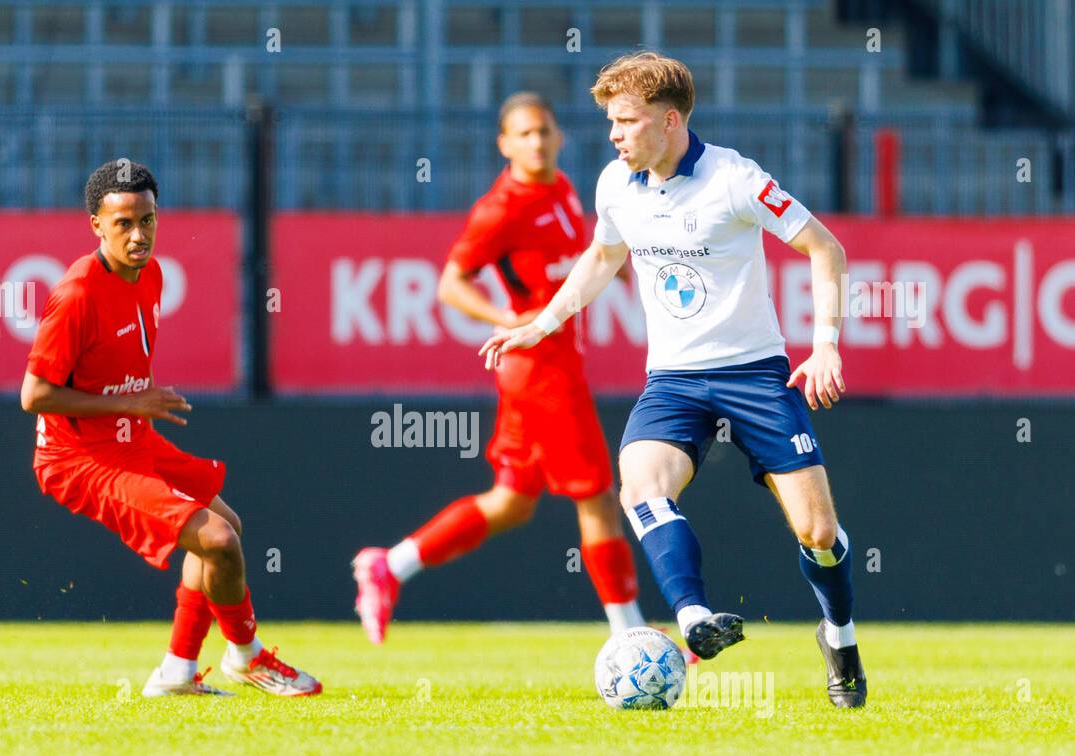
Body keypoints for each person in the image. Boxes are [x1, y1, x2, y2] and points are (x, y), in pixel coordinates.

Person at [479, 54, 866, 707]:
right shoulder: (615, 184)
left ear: (670, 120)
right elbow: (602, 256)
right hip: (675, 381)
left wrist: (825, 346)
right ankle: (693, 618)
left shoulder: (735, 179)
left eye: (626, 121)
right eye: (610, 121)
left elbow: (825, 247)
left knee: (819, 537)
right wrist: (541, 323)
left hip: (754, 375)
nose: (614, 134)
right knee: (640, 486)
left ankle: (839, 632)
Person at [353, 92, 666, 653]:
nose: (537, 142)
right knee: (597, 497)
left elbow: (587, 255)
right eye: (524, 134)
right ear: (504, 144)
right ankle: (632, 638)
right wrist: (508, 317)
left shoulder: (565, 188)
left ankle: (388, 566)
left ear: (558, 135)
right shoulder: (502, 207)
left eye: (544, 130)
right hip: (542, 369)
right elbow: (451, 283)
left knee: (512, 501)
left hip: (545, 365)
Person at [21, 159, 321, 698]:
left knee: (225, 532)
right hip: (80, 459)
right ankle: (246, 656)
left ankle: (177, 673)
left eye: (147, 220)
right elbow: (34, 395)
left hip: (129, 438)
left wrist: (133, 406)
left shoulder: (151, 274)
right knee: (219, 540)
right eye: (123, 224)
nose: (139, 236)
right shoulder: (75, 295)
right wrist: (134, 400)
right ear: (96, 224)